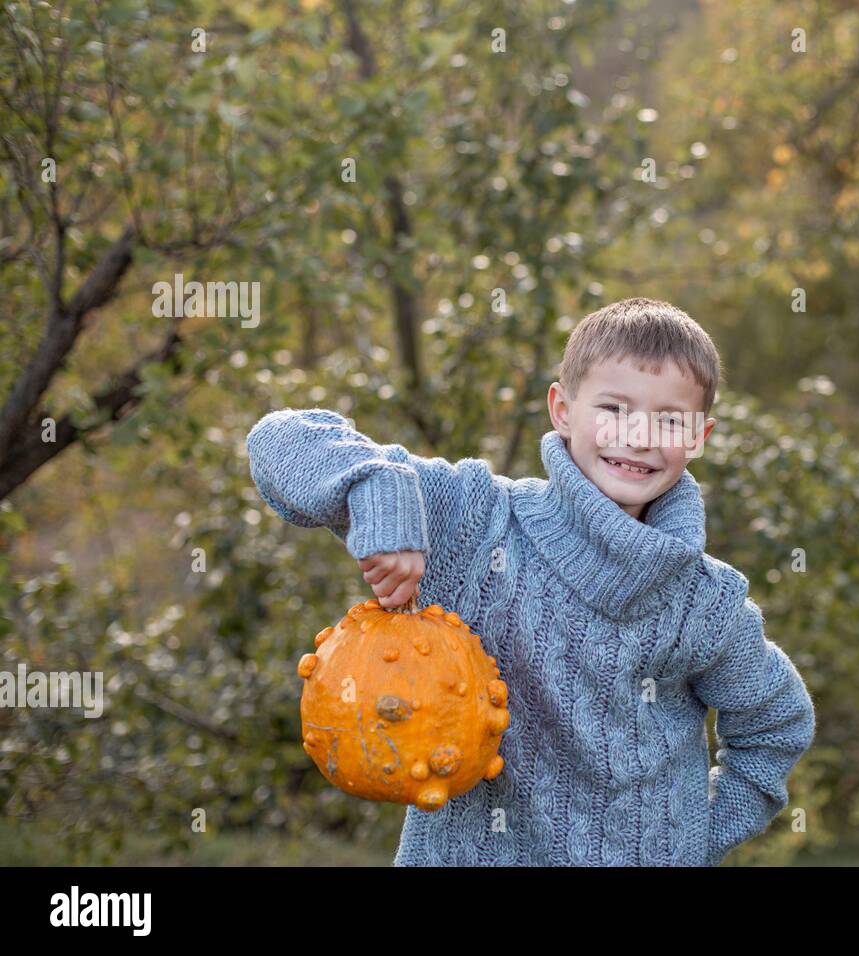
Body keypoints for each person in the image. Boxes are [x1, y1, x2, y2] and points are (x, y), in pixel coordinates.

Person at [245, 296, 816, 866]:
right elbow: (279, 441)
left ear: (699, 437)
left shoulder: (705, 601)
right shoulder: (477, 522)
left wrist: (689, 839)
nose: (639, 436)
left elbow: (776, 724)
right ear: (561, 409)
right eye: (614, 408)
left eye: (669, 420)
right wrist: (383, 493)